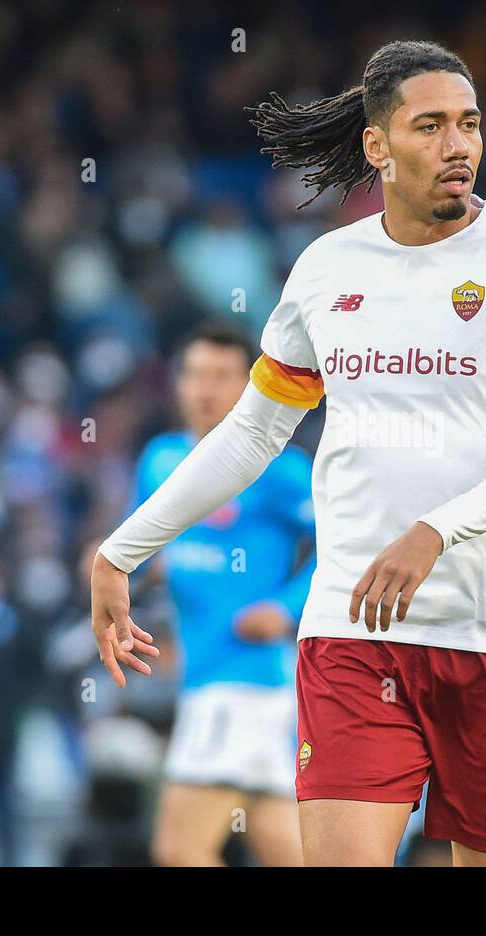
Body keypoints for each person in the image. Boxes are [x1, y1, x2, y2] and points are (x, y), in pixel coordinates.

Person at [91, 39, 486, 866]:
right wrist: (121, 550)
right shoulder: (327, 269)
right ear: (377, 144)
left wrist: (433, 532)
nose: (458, 144)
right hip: (352, 638)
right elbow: (253, 431)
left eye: (468, 124)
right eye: (429, 125)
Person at [138, 323, 314, 867]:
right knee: (280, 845)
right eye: (193, 374)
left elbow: (345, 548)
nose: (203, 389)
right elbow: (142, 546)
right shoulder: (162, 459)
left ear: (249, 386)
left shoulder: (279, 469)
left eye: (220, 376)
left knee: (181, 848)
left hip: (241, 681)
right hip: (210, 676)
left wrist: (284, 610)